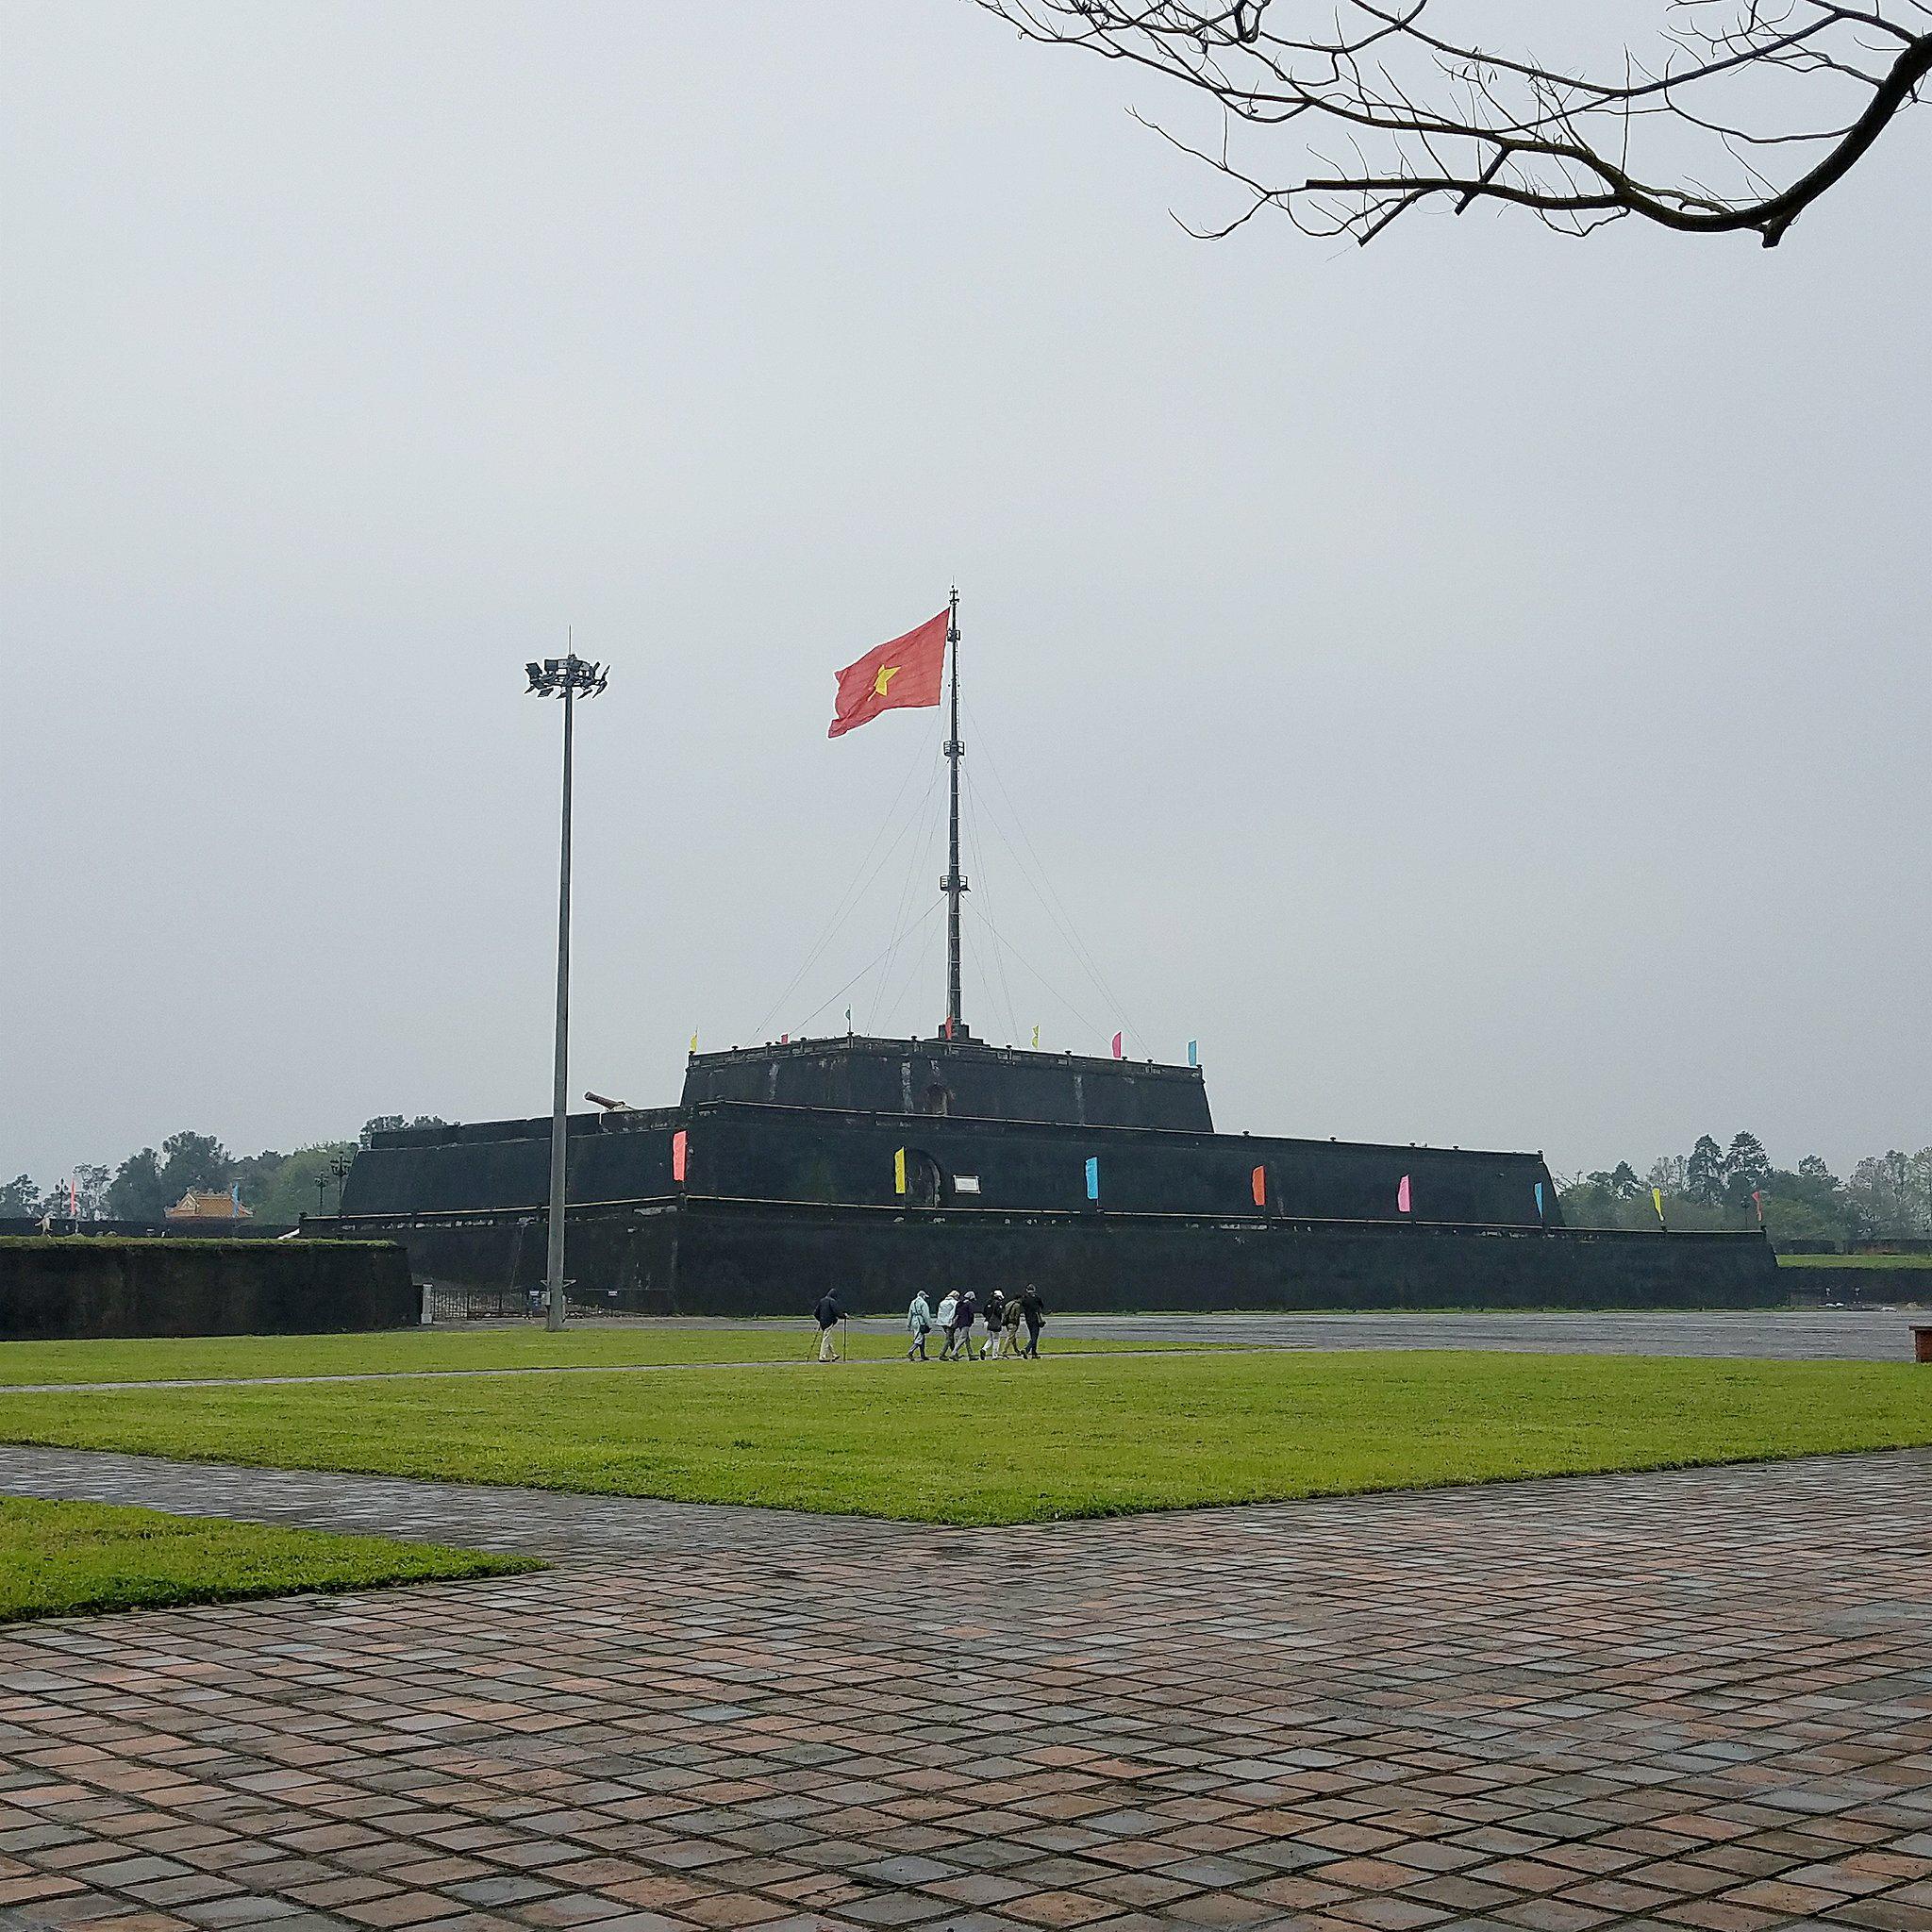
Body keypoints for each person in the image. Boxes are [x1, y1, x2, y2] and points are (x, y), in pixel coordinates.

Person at [942, 1289, 977, 1361]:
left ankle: (971, 1354)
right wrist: (971, 1322)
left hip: (960, 1323)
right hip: (966, 1323)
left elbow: (956, 1313)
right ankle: (953, 1353)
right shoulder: (969, 1304)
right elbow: (971, 1314)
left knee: (967, 1339)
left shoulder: (959, 1303)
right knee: (962, 1338)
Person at [812, 1290, 845, 1362]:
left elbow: (815, 1313)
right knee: (826, 1338)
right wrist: (844, 1316)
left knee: (828, 1337)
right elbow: (836, 1312)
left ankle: (834, 1354)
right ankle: (822, 1356)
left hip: (822, 1322)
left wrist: (820, 1320)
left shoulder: (822, 1301)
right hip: (829, 1323)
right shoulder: (832, 1301)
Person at [907, 1290, 934, 1361]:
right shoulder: (923, 1303)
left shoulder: (913, 1302)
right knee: (919, 1339)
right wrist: (929, 1325)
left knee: (921, 1338)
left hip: (914, 1321)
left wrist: (908, 1324)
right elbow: (926, 1315)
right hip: (920, 1321)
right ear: (923, 1296)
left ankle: (923, 1355)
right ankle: (910, 1351)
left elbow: (910, 1314)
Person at [1019, 1283, 1045, 1358]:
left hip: (1028, 1319)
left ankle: (1034, 1353)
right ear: (1034, 1289)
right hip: (1036, 1319)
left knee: (1032, 1335)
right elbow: (1042, 1306)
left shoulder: (1024, 1298)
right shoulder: (1036, 1297)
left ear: (1027, 1290)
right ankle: (1026, 1349)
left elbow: (1022, 1305)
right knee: (1034, 1337)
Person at [981, 1288, 1008, 1359]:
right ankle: (994, 1356)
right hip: (994, 1323)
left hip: (986, 1322)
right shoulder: (997, 1303)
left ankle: (984, 1349)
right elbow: (998, 1313)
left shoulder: (988, 1302)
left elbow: (984, 1312)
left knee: (990, 1339)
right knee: (996, 1340)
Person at [1000, 1291, 1024, 1359]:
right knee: (1010, 1338)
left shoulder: (1008, 1304)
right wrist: (1017, 1324)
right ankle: (1004, 1352)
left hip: (1007, 1323)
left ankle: (1017, 1351)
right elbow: (1017, 1315)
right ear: (1018, 1299)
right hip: (1013, 1323)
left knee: (1013, 1338)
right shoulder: (1017, 1305)